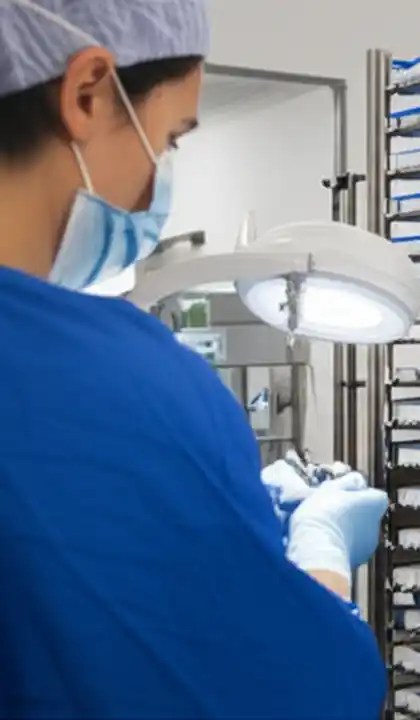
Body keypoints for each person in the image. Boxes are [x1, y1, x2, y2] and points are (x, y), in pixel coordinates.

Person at [0, 1, 390, 717]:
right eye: (170, 136)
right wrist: (321, 554)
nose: (161, 174)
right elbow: (305, 694)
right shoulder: (127, 386)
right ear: (87, 93)